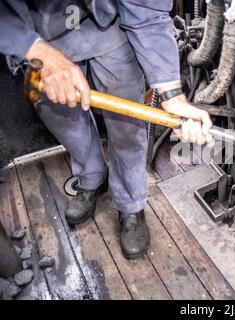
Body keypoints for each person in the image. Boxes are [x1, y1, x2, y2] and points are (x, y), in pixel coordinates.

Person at [0, 0, 214, 259]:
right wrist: (32, 48)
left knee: (128, 128)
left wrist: (172, 94)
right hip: (35, 32)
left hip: (110, 29)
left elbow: (147, 11)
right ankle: (92, 177)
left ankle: (130, 203)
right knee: (65, 123)